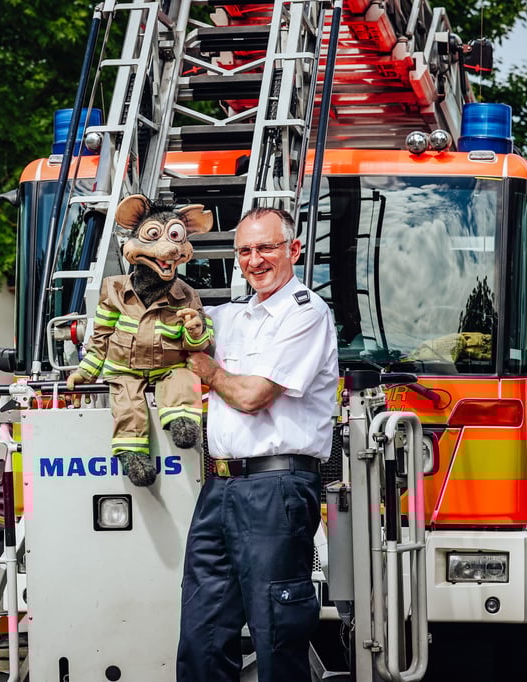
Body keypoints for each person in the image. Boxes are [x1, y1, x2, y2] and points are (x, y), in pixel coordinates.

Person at [177, 206, 339, 682]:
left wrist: (208, 370)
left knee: (276, 633)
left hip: (277, 487)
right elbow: (164, 323)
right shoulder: (229, 316)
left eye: (266, 247)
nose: (254, 260)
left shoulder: (306, 313)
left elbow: (252, 397)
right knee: (202, 632)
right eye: (244, 250)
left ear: (294, 249)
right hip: (220, 486)